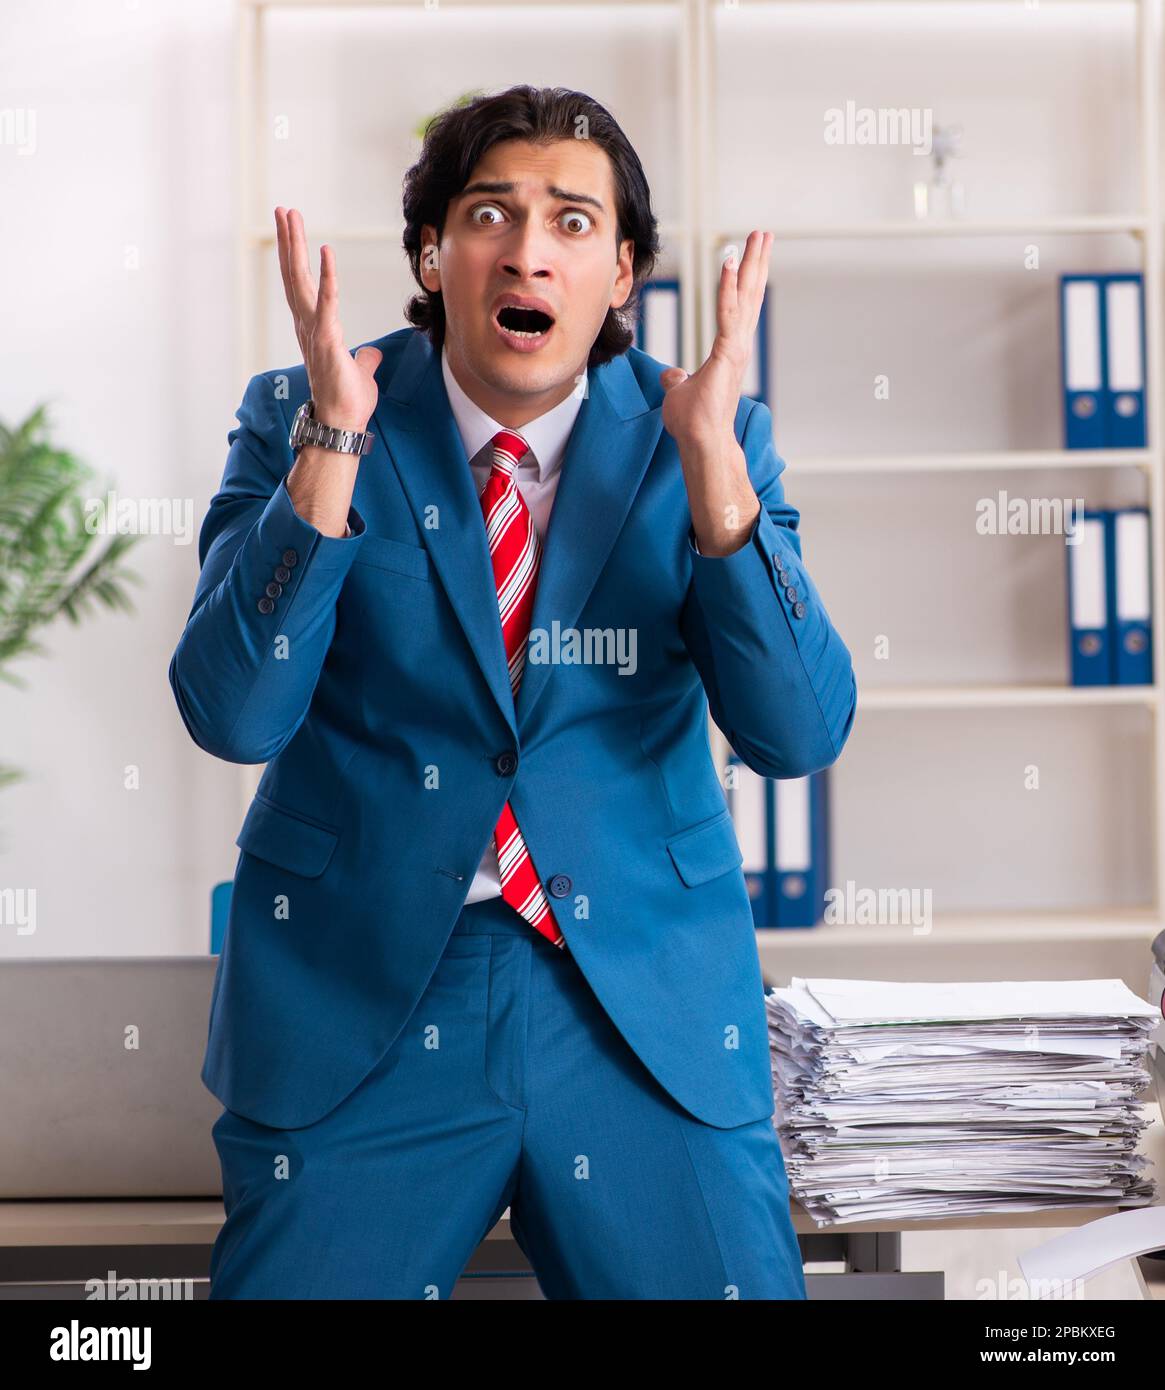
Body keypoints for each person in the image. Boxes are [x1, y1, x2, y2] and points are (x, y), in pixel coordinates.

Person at [169, 84, 856, 1299]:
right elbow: (233, 713)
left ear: (624, 273)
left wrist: (714, 479)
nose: (528, 249)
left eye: (573, 222)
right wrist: (334, 445)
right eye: (489, 214)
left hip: (638, 1002)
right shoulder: (302, 411)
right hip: (360, 996)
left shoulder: (706, 433)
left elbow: (797, 732)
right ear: (433, 255)